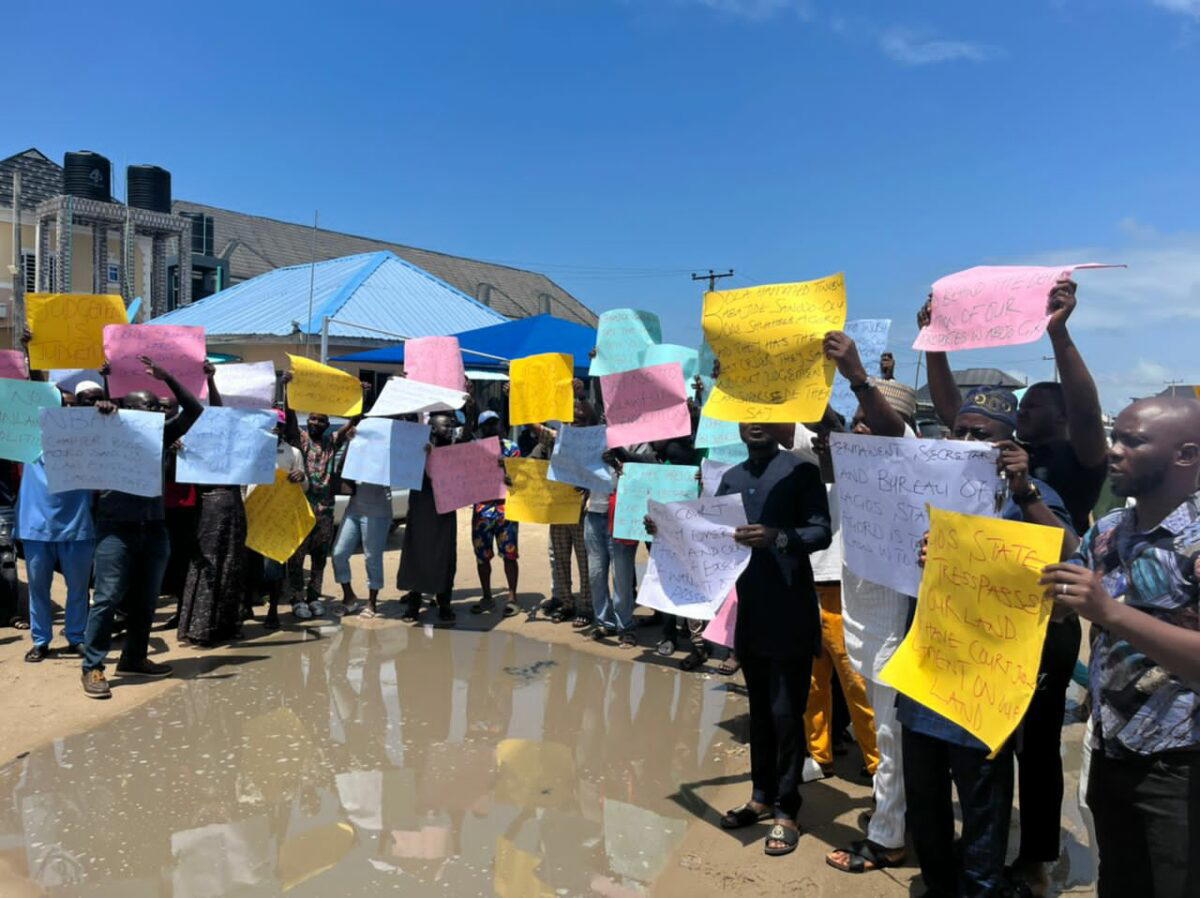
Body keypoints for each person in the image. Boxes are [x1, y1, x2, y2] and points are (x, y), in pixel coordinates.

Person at [921, 281, 1099, 893]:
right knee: (983, 744)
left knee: (1038, 746)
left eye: (1037, 405)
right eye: (1020, 406)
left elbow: (1086, 414)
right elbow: (956, 413)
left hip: (1045, 622)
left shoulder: (1077, 461)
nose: (1024, 410)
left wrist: (1059, 334)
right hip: (985, 621)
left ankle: (1036, 857)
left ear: (1062, 417)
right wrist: (935, 342)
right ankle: (985, 848)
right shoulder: (981, 455)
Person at [901, 387, 1077, 898]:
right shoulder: (930, 488)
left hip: (985, 677)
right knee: (925, 796)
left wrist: (1025, 490)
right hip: (927, 664)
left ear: (1009, 442)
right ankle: (939, 884)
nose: (966, 441)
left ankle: (981, 888)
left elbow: (1072, 555)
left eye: (981, 435)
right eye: (959, 431)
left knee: (982, 799)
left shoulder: (1032, 496)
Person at [1041, 396, 1200, 898]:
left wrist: (1110, 612)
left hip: (1181, 766)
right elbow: (1059, 603)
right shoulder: (1109, 531)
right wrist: (953, 563)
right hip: (1111, 749)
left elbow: (1104, 610)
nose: (1114, 450)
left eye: (1133, 441)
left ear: (1186, 455)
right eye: (1116, 438)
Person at [662, 420, 831, 857]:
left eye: (762, 414)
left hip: (791, 610)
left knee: (786, 713)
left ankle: (787, 810)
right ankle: (760, 797)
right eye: (746, 416)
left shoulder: (800, 470)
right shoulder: (731, 478)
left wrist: (779, 537)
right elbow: (708, 537)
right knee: (758, 712)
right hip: (750, 612)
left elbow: (820, 531)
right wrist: (665, 530)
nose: (754, 423)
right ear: (737, 424)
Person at [80, 355, 203, 699]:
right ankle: (93, 666)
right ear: (126, 410)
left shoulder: (161, 436)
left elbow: (194, 410)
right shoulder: (105, 431)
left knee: (146, 600)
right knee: (107, 598)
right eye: (145, 406)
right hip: (115, 529)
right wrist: (100, 409)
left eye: (155, 406)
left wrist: (167, 377)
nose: (154, 411)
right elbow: (71, 427)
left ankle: (133, 658)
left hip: (153, 528)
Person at [14, 380, 103, 661]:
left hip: (78, 525)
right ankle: (41, 641)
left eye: (72, 406)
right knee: (38, 589)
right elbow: (17, 405)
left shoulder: (91, 440)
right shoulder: (27, 439)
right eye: (60, 405)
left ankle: (76, 637)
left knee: (78, 589)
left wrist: (107, 408)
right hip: (36, 527)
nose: (66, 410)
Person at [176, 365, 248, 647]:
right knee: (207, 564)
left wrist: (211, 380)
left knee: (231, 564)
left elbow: (219, 412)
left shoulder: (229, 442)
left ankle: (226, 625)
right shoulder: (187, 442)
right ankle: (200, 627)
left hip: (233, 505)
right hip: (208, 508)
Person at [280, 373, 356, 618]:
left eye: (321, 420)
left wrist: (361, 396)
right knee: (296, 557)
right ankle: (297, 599)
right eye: (312, 418)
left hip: (325, 511)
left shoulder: (331, 442)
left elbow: (352, 423)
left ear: (326, 424)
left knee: (319, 558)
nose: (316, 422)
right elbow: (290, 419)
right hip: (300, 510)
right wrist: (287, 388)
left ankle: (314, 597)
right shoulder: (301, 440)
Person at [397, 411, 461, 625]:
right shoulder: (417, 448)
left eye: (451, 425)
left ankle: (445, 604)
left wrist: (470, 412)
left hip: (444, 512)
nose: (450, 429)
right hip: (421, 509)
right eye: (446, 426)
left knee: (445, 557)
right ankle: (414, 604)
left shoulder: (454, 450)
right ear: (432, 428)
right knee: (417, 553)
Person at [469, 411, 521, 618]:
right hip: (482, 509)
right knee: (482, 556)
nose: (492, 428)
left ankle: (512, 597)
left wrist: (506, 470)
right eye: (487, 425)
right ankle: (487, 596)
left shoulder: (511, 448)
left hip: (506, 509)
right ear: (481, 429)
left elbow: (521, 479)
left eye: (494, 424)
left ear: (500, 425)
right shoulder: (474, 449)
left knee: (510, 554)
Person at [260, 410, 307, 630]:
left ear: (282, 428)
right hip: (254, 513)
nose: (274, 428)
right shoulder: (253, 448)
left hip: (278, 516)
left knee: (274, 566)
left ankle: (273, 610)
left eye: (278, 425)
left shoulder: (293, 453)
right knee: (251, 565)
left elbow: (304, 486)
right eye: (270, 424)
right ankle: (245, 607)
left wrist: (301, 477)